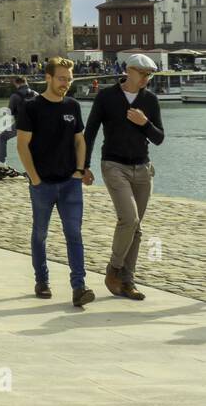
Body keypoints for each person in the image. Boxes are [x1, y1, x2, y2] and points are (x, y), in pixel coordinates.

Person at [82, 52, 164, 302]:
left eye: (149, 75)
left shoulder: (150, 100)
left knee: (136, 228)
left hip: (143, 168)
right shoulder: (107, 97)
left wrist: (144, 122)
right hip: (114, 165)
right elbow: (91, 132)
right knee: (129, 218)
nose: (146, 80)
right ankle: (114, 269)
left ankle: (128, 281)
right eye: (143, 74)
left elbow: (159, 137)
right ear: (129, 70)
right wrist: (83, 166)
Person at [16, 56, 94, 308]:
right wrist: (35, 179)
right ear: (48, 78)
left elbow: (79, 140)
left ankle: (79, 287)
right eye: (61, 78)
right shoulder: (31, 107)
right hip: (43, 185)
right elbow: (22, 145)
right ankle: (41, 279)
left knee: (74, 234)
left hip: (70, 183)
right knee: (40, 234)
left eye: (69, 79)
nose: (66, 83)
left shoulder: (72, 106)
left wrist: (79, 170)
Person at [0, 75, 35, 163]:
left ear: (17, 84)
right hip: (35, 125)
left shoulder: (15, 96)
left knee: (2, 137)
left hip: (21, 124)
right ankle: (34, 169)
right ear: (26, 82)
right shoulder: (36, 94)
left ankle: (1, 161)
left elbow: (9, 112)